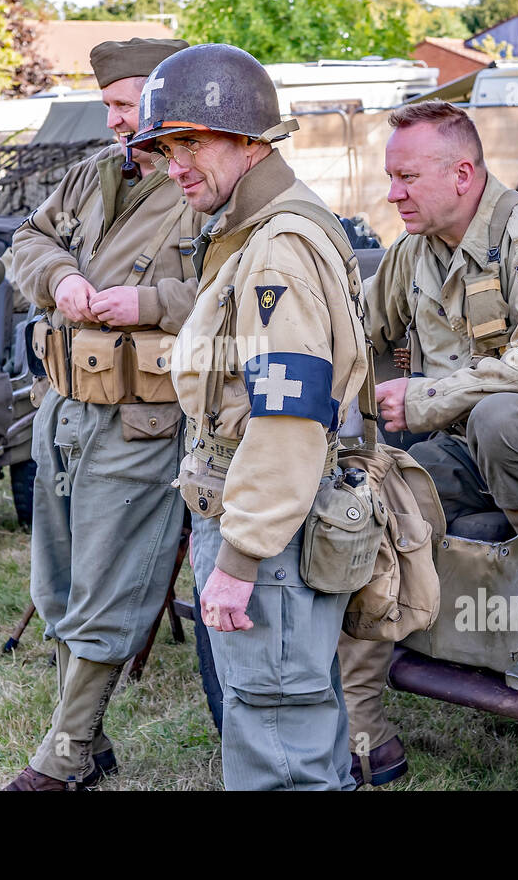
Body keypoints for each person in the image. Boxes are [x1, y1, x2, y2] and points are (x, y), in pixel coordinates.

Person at [339, 99, 518, 785]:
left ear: (462, 174)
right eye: (391, 176)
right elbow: (360, 330)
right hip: (473, 446)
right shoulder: (416, 251)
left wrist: (424, 398)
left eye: (407, 177)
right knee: (370, 500)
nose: (392, 193)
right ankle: (364, 728)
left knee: (500, 416)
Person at [130, 43, 367, 790]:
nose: (175, 166)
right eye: (168, 149)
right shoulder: (255, 232)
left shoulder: (274, 251)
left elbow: (286, 418)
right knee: (293, 726)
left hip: (267, 538)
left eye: (191, 143)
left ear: (248, 142)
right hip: (267, 526)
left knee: (275, 741)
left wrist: (238, 561)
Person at [4, 37, 198, 791]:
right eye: (112, 106)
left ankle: (66, 749)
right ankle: (89, 734)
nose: (116, 120)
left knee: (110, 584)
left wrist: (148, 303)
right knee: (57, 582)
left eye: (127, 105)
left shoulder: (203, 186)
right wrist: (58, 280)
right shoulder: (91, 177)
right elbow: (31, 239)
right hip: (64, 407)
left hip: (144, 416)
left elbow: (239, 289)